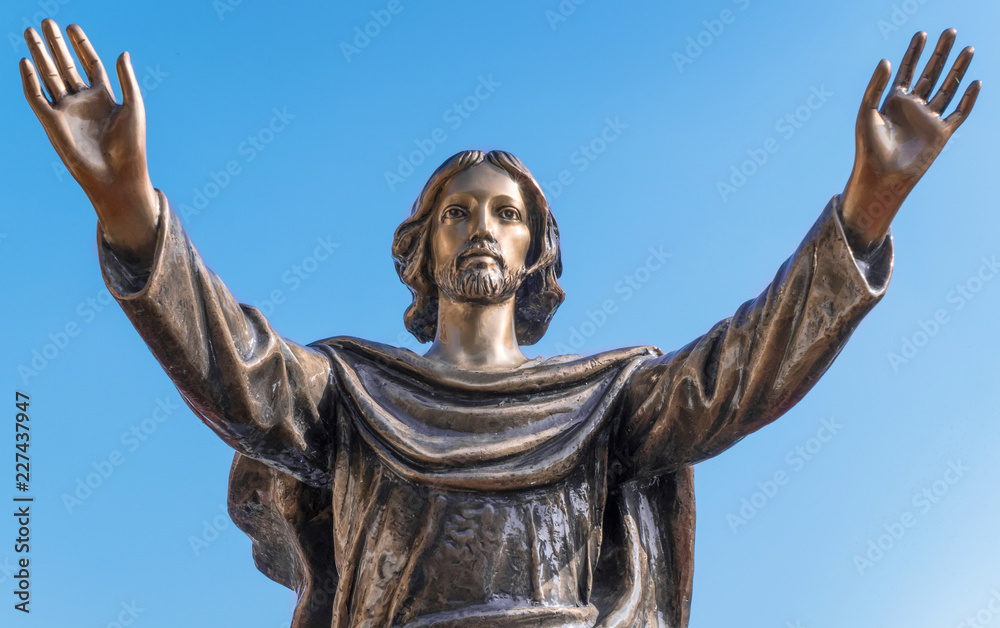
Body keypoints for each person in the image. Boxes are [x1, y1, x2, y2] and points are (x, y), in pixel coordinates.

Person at [20, 19, 980, 628]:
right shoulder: (351, 394)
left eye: (506, 213)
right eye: (459, 211)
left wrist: (864, 211)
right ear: (426, 248)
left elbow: (744, 371)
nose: (483, 226)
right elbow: (230, 359)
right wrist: (130, 207)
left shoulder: (606, 402)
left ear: (534, 256)